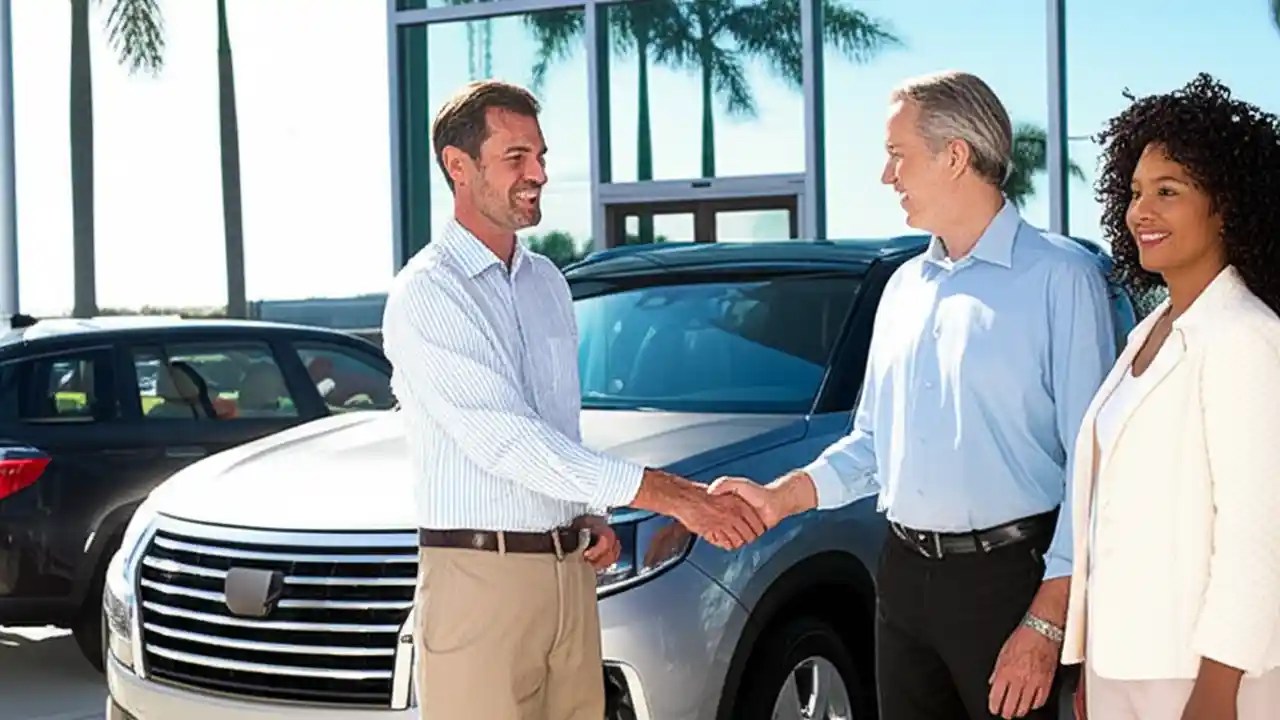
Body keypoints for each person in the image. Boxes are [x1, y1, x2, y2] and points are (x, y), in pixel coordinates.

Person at [709, 69, 1116, 720]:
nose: (885, 176)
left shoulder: (1060, 278)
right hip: (901, 578)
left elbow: (1093, 468)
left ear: (956, 156)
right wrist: (777, 498)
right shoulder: (902, 288)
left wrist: (1046, 623)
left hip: (1009, 582)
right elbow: (871, 444)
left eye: (898, 155)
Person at [380, 79, 764, 720]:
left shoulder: (547, 282)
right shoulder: (428, 293)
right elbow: (505, 438)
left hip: (571, 576)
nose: (538, 174)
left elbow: (556, 424)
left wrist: (588, 511)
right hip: (479, 584)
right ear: (458, 166)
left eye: (541, 156)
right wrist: (671, 495)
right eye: (516, 158)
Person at [1059, 73, 1280, 720]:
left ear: (1227, 207)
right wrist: (1092, 666)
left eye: (1168, 192)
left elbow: (1258, 532)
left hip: (1201, 678)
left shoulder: (1246, 337)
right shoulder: (1151, 332)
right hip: (1124, 668)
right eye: (1133, 193)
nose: (1140, 213)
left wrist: (1218, 688)